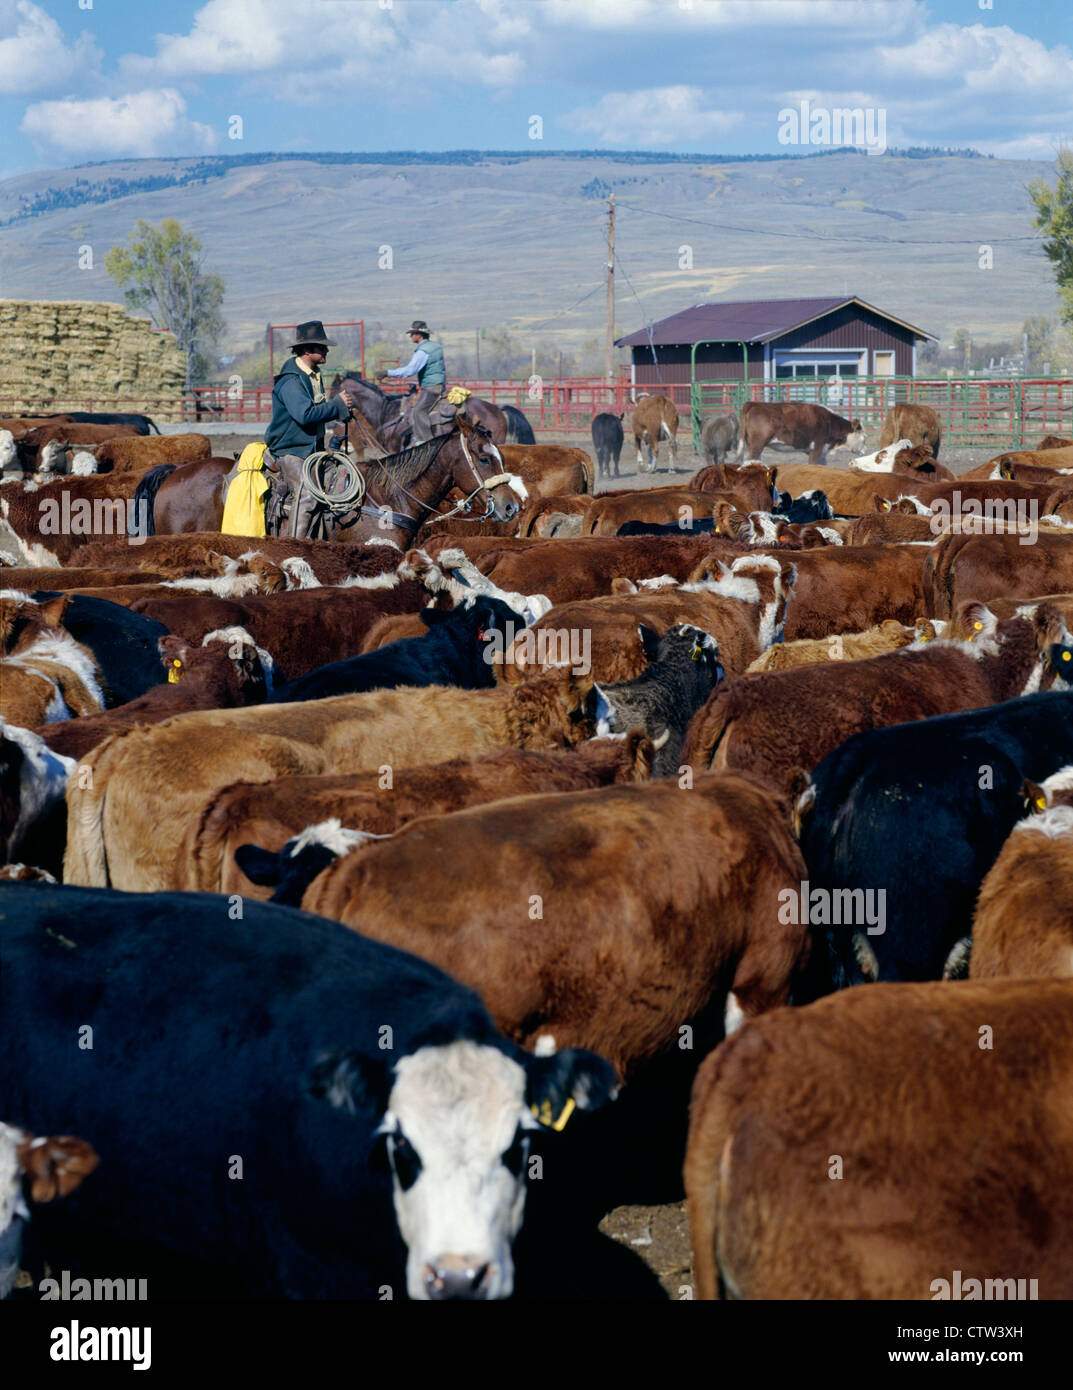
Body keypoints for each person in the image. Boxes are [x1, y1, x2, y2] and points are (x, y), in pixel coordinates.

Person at [266, 320, 355, 460]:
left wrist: (342, 408)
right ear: (307, 351)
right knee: (306, 483)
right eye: (322, 347)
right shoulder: (291, 381)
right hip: (291, 451)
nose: (327, 350)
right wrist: (337, 404)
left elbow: (318, 412)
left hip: (312, 448)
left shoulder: (313, 375)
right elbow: (305, 415)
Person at [376, 319, 446, 443]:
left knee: (419, 411)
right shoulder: (434, 347)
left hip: (431, 388)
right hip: (436, 385)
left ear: (419, 335)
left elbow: (409, 371)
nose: (410, 336)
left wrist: (387, 372)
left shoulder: (423, 351)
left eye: (412, 333)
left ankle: (426, 442)